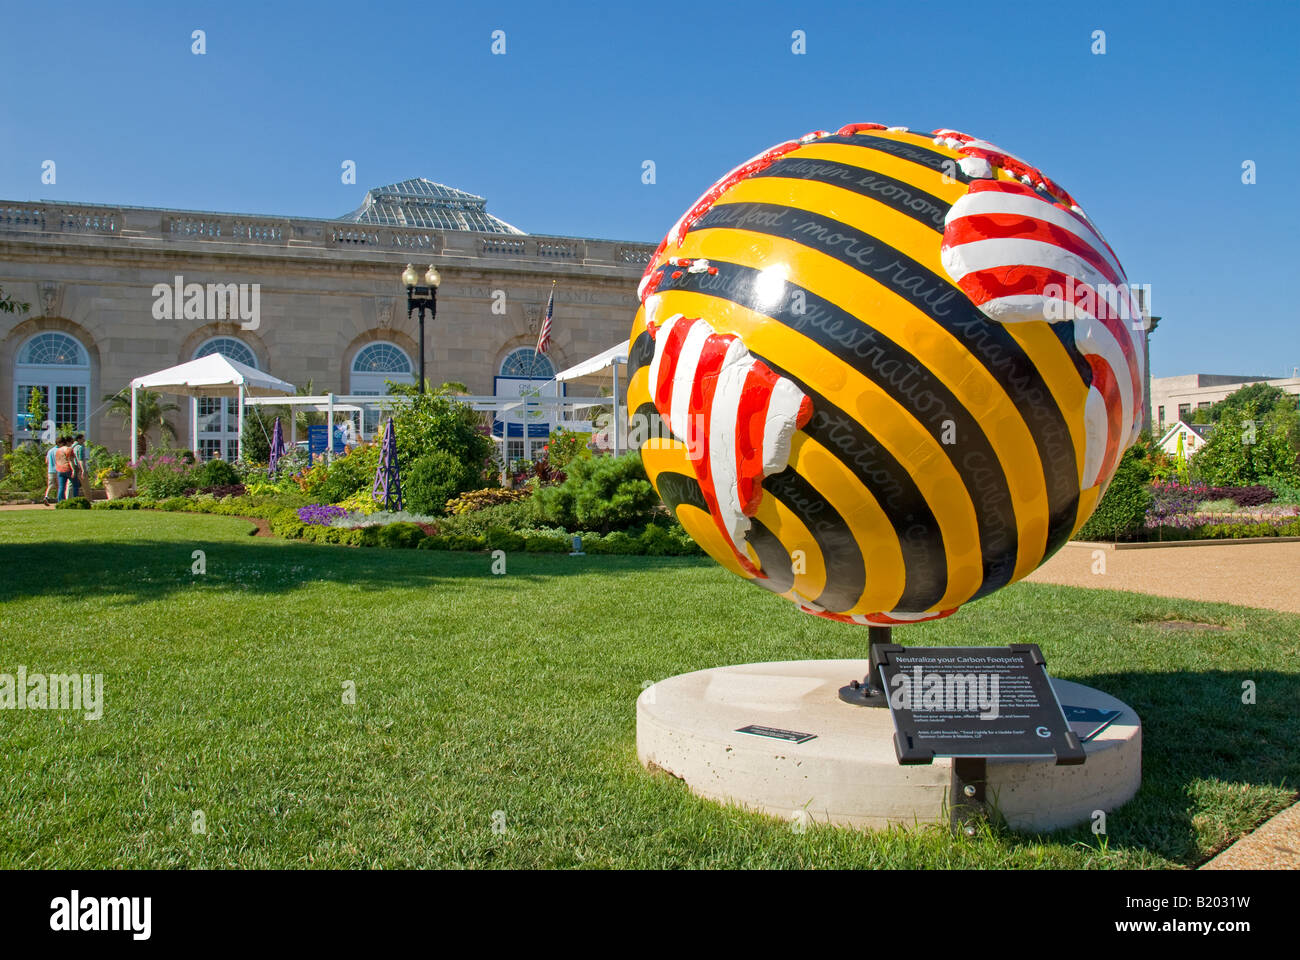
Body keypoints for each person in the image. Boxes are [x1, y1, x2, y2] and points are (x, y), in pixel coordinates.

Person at [53, 436, 75, 502]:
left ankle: (60, 501)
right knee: (75, 485)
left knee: (61, 487)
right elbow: (70, 460)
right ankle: (75, 499)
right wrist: (73, 469)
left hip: (59, 470)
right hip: (68, 469)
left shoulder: (57, 451)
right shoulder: (68, 449)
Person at [70, 433, 88, 499]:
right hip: (79, 467)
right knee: (85, 485)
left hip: (74, 467)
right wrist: (83, 470)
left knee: (71, 485)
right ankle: (88, 499)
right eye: (83, 439)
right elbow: (80, 459)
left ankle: (69, 498)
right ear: (79, 439)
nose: (84, 440)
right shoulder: (80, 448)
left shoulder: (71, 447)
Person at [42, 440, 58, 505]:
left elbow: (46, 461)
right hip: (57, 470)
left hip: (50, 470)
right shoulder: (59, 450)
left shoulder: (50, 451)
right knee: (59, 485)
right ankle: (59, 498)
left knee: (50, 485)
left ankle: (46, 496)